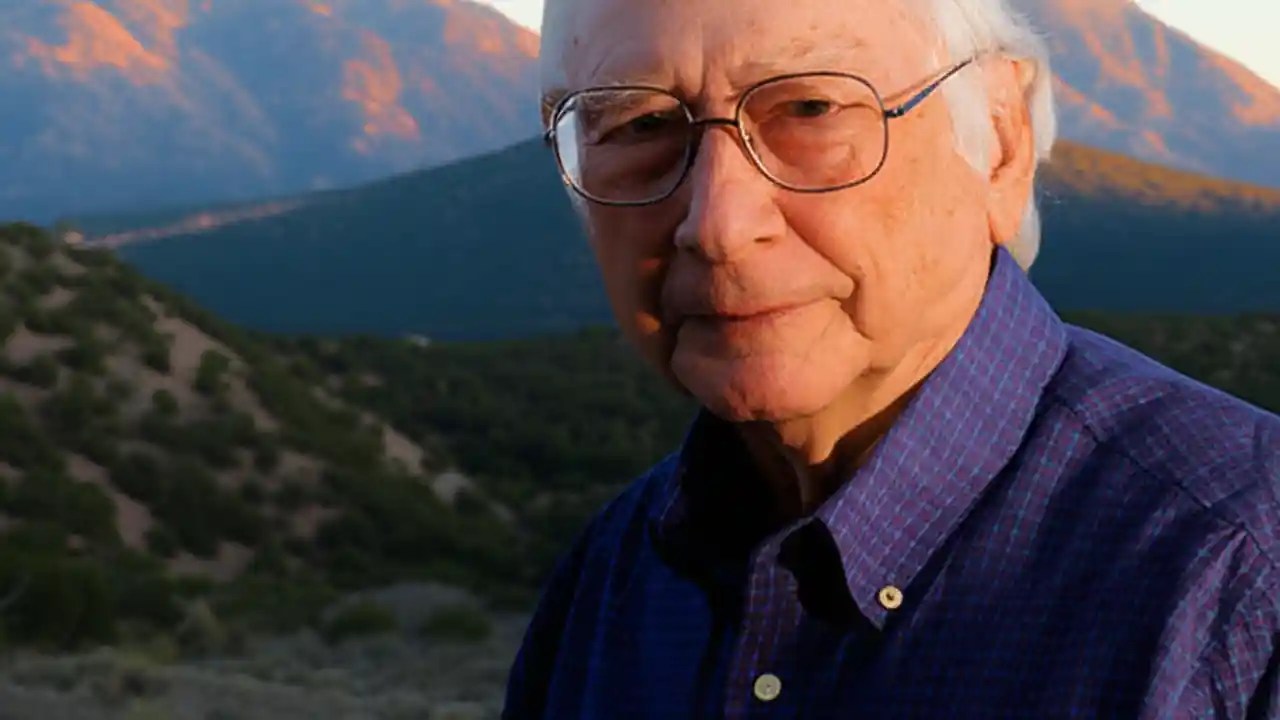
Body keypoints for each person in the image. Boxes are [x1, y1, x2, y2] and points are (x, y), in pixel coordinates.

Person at [503, 0, 1280, 716]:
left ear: (1001, 145)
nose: (718, 224)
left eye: (810, 108)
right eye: (638, 127)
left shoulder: (1241, 580)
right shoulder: (611, 581)